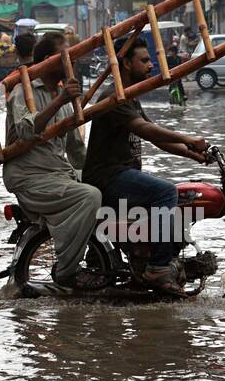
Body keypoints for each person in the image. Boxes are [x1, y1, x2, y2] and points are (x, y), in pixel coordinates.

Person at [84, 37, 210, 295]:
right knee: (165, 192)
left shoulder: (130, 97)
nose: (151, 66)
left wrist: (194, 155)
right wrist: (187, 139)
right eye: (145, 60)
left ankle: (153, 254)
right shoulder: (114, 98)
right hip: (109, 177)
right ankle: (158, 268)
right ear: (127, 64)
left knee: (178, 195)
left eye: (151, 60)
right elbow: (144, 128)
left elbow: (155, 137)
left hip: (122, 174)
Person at [3, 31, 102, 292]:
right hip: (30, 176)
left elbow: (76, 150)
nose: (73, 62)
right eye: (66, 56)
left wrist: (103, 170)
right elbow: (26, 131)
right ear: (50, 60)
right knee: (89, 197)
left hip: (58, 173)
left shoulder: (65, 98)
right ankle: (68, 271)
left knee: (108, 190)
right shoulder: (23, 91)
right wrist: (60, 100)